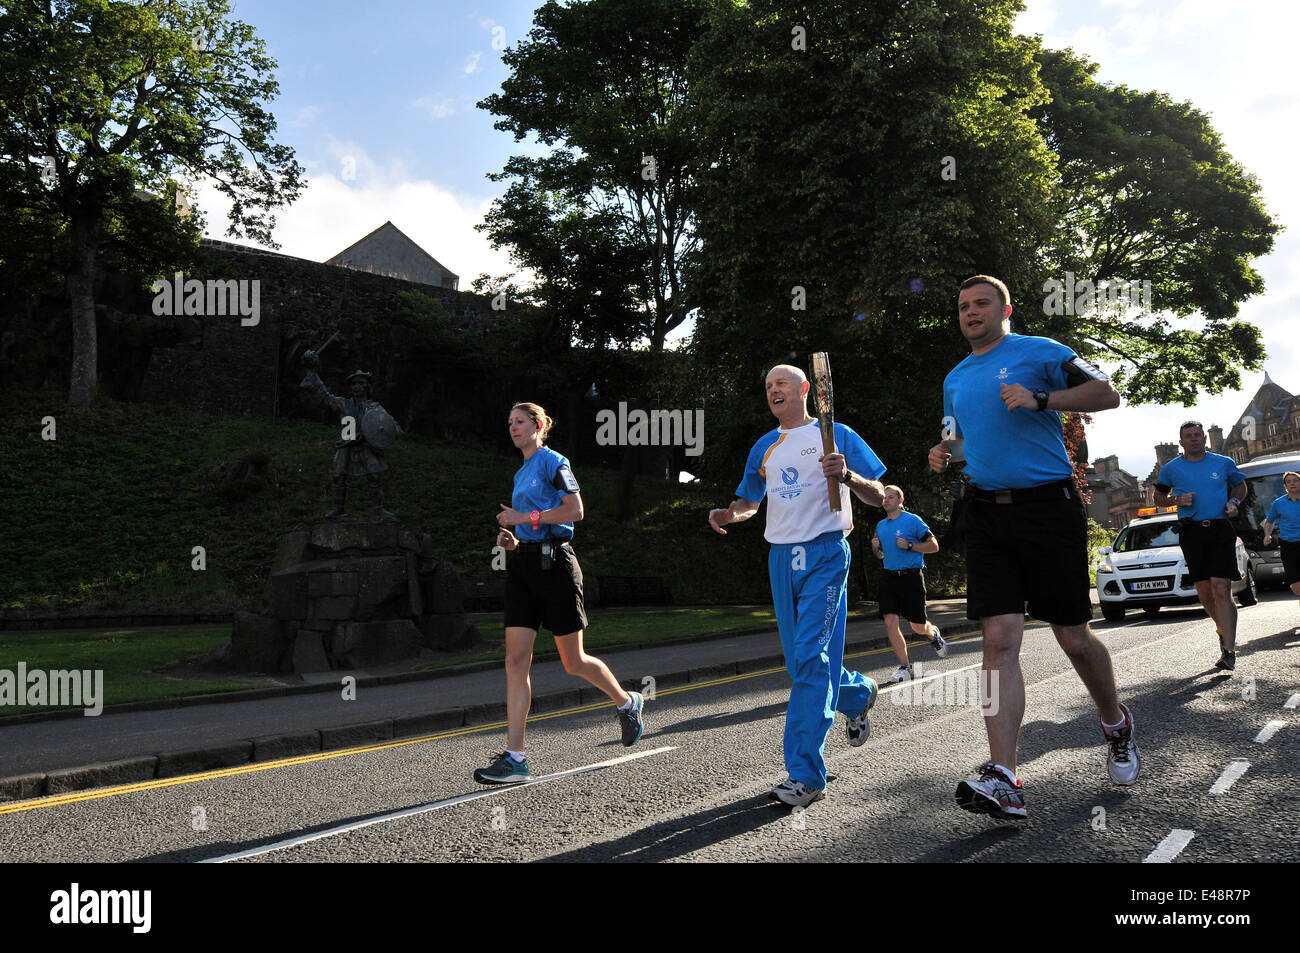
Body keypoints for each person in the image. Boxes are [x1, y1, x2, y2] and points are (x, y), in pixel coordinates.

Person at [928, 275, 1139, 821]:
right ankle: (1004, 775)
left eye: (981, 304)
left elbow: (1106, 393)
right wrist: (946, 452)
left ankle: (1115, 722)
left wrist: (1042, 397)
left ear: (1006, 309)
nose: (970, 312)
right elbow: (960, 440)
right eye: (963, 305)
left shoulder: (1041, 352)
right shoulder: (954, 377)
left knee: (1072, 636)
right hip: (986, 514)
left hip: (1048, 509)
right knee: (998, 638)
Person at [708, 364, 887, 808]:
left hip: (826, 553)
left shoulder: (836, 434)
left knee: (809, 657)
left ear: (806, 389)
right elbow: (749, 501)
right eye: (767, 385)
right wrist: (731, 515)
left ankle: (806, 775)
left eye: (781, 383)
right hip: (781, 558)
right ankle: (858, 692)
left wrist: (847, 477)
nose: (773, 390)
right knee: (801, 661)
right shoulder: (765, 446)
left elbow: (880, 495)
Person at [474, 402, 644, 784]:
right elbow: (529, 524)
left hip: (556, 568)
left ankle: (627, 701)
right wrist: (512, 539)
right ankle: (516, 758)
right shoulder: (521, 472)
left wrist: (525, 518)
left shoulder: (554, 462)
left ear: (537, 426)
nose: (512, 428)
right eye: (509, 423)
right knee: (516, 662)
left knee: (574, 661)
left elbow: (575, 510)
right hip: (523, 568)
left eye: (519, 422)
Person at [1152, 422, 1249, 670]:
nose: (1194, 439)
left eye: (1198, 435)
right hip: (1191, 531)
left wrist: (1234, 501)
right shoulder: (1171, 468)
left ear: (1205, 438)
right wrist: (1176, 499)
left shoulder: (1223, 462)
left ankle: (1228, 650)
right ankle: (1222, 628)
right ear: (1181, 441)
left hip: (1219, 528)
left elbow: (1240, 485)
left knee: (1221, 586)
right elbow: (1159, 497)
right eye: (1188, 436)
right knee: (1205, 592)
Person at [300, 362, 402, 521]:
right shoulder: (344, 404)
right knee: (338, 476)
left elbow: (392, 427)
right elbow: (324, 396)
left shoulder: (375, 408)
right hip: (346, 445)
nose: (356, 386)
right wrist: (312, 372)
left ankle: (379, 510)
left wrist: (387, 431)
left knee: (374, 477)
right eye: (354, 384)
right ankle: (338, 509)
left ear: (367, 386)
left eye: (360, 383)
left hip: (367, 447)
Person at [870, 485, 948, 682]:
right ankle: (906, 667)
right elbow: (881, 556)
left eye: (890, 497)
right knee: (890, 622)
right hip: (889, 578)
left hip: (911, 578)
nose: (886, 500)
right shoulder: (880, 526)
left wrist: (911, 545)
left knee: (918, 627)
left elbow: (934, 546)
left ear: (900, 501)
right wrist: (876, 549)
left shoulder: (913, 521)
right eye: (884, 497)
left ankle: (932, 634)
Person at [1260, 470, 1300, 604]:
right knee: (1296, 586)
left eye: (1295, 480)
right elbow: (1269, 521)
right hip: (1288, 545)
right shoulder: (1278, 503)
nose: (1292, 483)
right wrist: (1267, 535)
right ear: (1285, 486)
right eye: (1289, 482)